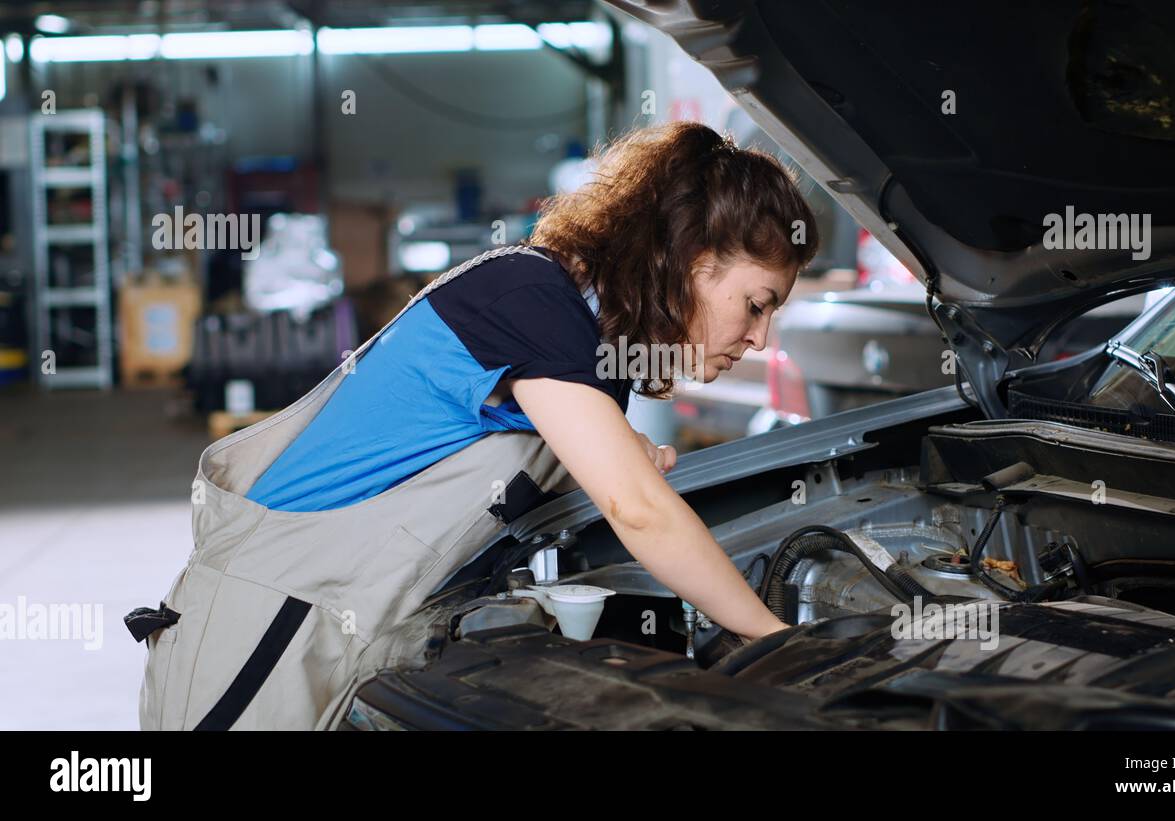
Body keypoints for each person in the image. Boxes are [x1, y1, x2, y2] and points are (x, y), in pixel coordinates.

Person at [246, 120, 820, 642]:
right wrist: (771, 636)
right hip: (273, 603)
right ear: (695, 258)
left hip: (351, 605)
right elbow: (639, 511)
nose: (761, 339)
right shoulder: (535, 302)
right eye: (755, 305)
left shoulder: (585, 338)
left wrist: (614, 454)